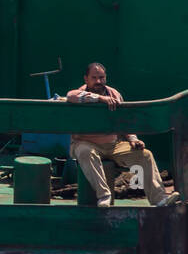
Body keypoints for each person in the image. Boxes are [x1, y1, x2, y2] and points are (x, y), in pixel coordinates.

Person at [66, 62, 180, 207]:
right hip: (86, 143)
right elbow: (71, 96)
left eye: (101, 77)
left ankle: (159, 199)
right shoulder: (78, 94)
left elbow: (124, 121)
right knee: (84, 152)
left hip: (113, 145)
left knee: (145, 155)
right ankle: (104, 196)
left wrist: (133, 139)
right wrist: (100, 99)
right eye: (94, 78)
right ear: (86, 79)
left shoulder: (114, 94)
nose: (98, 81)